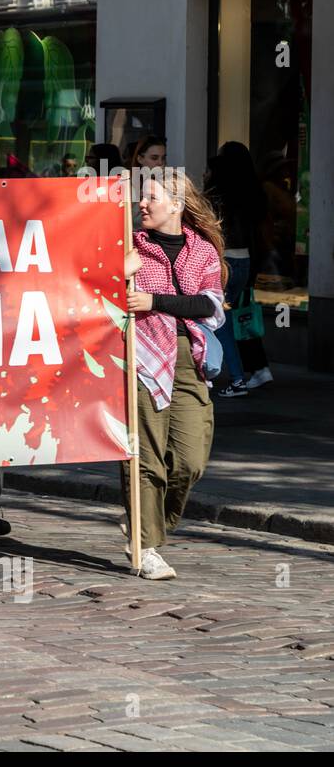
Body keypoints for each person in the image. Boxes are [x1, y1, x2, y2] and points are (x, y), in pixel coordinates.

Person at [122, 168, 225, 580]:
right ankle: (146, 546)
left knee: (190, 460)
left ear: (177, 204)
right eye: (140, 198)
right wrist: (119, 271)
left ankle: (150, 527)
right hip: (141, 359)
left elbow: (209, 306)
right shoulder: (129, 246)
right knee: (146, 458)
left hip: (188, 358)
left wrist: (152, 299)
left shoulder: (203, 251)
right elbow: (98, 296)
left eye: (151, 197)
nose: (142, 205)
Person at [205, 143, 268, 398]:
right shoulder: (252, 192)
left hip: (225, 260)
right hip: (245, 259)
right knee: (227, 317)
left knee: (222, 321)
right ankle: (248, 371)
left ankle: (237, 377)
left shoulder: (217, 196)